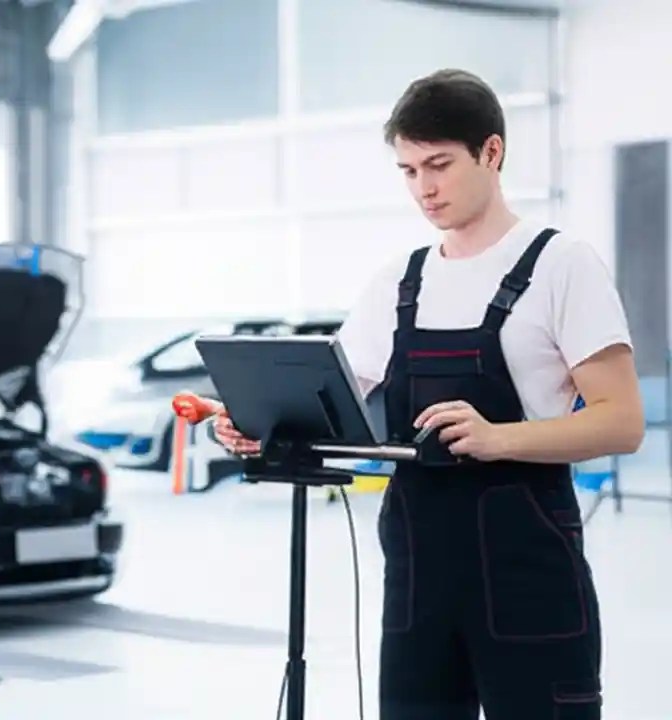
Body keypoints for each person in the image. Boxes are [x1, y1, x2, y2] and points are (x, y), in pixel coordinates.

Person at [214, 68, 643, 719]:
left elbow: (622, 423)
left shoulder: (561, 264)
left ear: (491, 152)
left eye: (438, 165)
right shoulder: (399, 281)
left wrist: (501, 438)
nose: (425, 188)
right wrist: (256, 423)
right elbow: (331, 399)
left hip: (529, 577)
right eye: (408, 170)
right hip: (418, 582)